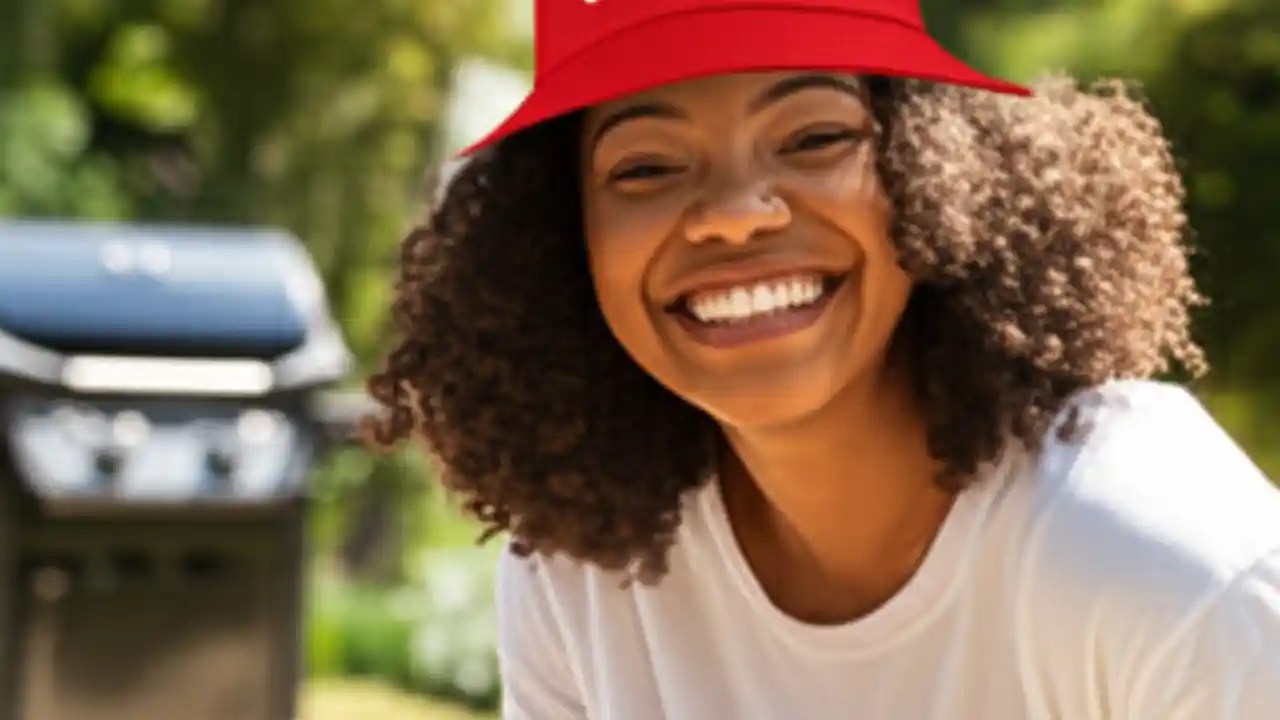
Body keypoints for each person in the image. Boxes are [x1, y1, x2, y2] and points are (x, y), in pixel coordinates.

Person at [365, 1, 1280, 717]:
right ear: (565, 242)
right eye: (645, 167)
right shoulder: (582, 574)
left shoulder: (1159, 562)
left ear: (934, 171)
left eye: (814, 138)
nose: (735, 212)